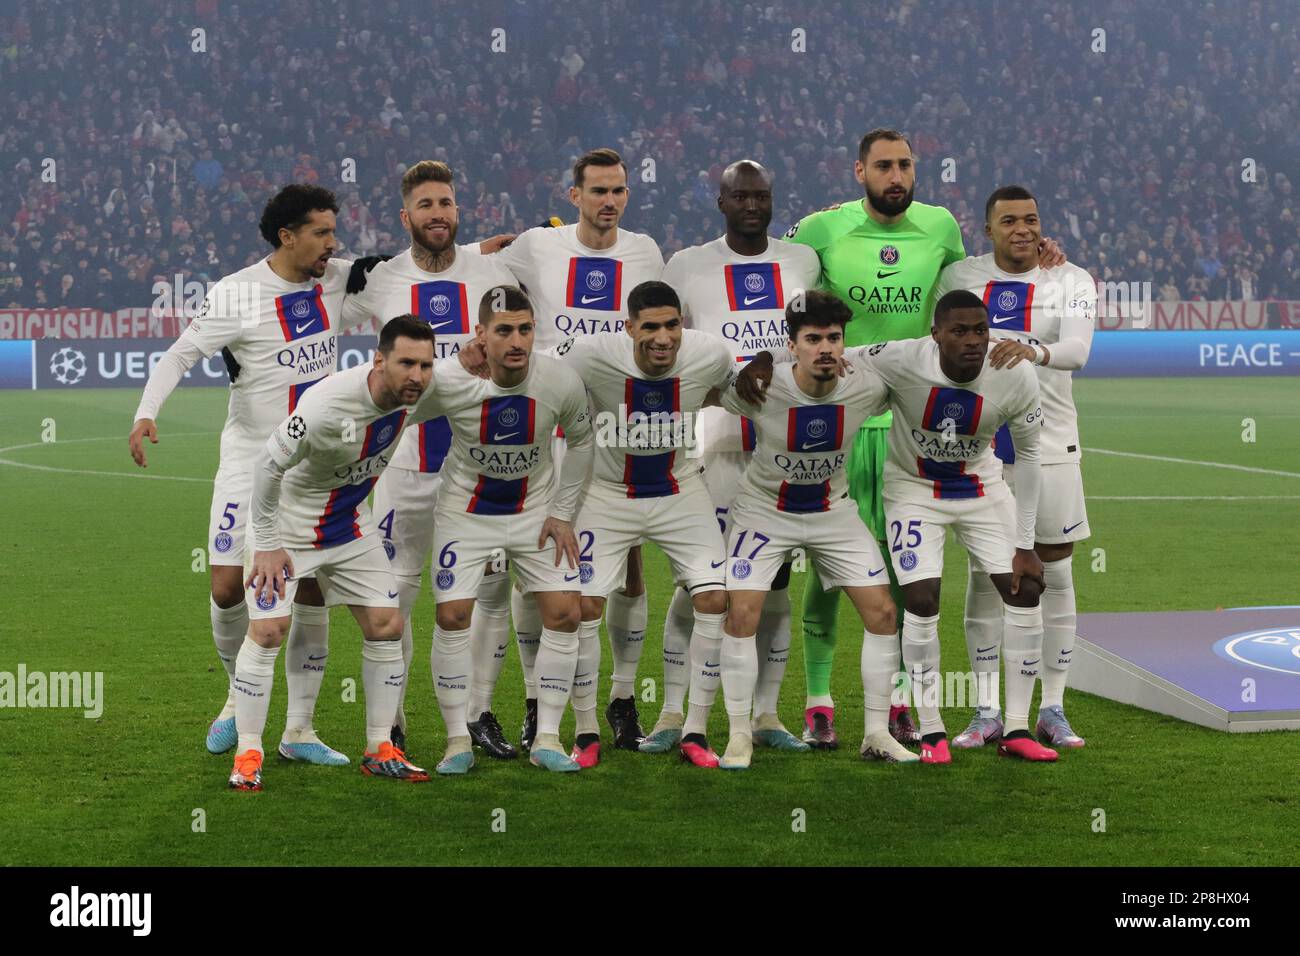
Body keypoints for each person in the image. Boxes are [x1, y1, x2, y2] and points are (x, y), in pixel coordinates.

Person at [782, 129, 1065, 748]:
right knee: (829, 561)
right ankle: (819, 699)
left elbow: (969, 284)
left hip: (918, 419)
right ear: (859, 171)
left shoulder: (940, 228)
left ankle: (907, 703)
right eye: (883, 165)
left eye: (905, 165)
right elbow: (789, 294)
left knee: (900, 571)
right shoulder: (820, 230)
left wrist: (1035, 254)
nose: (896, 175)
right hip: (851, 414)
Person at [129, 184, 362, 766]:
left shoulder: (335, 278)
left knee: (308, 589)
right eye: (322, 233)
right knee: (228, 588)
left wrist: (489, 248)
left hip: (312, 468)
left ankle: (300, 731)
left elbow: (416, 268)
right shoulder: (237, 294)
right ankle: (237, 695)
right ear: (287, 236)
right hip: (248, 463)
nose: (333, 244)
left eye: (335, 232)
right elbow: (181, 353)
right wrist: (145, 413)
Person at [341, 160, 520, 760]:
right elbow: (310, 291)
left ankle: (478, 715)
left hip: (477, 467)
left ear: (457, 209)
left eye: (445, 202)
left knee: (486, 595)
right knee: (394, 596)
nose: (437, 213)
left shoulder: (490, 272)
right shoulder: (380, 280)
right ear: (405, 216)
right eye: (425, 205)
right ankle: (389, 723)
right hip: (403, 466)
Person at [489, 147, 664, 749]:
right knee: (538, 571)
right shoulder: (538, 247)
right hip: (550, 429)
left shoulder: (645, 252)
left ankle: (622, 696)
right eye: (598, 191)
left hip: (621, 428)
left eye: (618, 191)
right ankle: (539, 701)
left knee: (630, 572)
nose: (609, 201)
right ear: (575, 196)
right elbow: (484, 272)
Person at [233, 315, 443, 790]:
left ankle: (379, 748)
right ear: (379, 360)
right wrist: (266, 543)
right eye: (406, 363)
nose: (417, 375)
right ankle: (248, 753)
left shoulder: (422, 390)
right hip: (286, 529)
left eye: (426, 365)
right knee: (267, 631)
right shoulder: (327, 405)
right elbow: (267, 467)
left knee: (387, 625)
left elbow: (467, 379)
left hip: (349, 526)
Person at [654, 159, 820, 754]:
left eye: (762, 196)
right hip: (717, 442)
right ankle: (673, 712)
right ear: (720, 203)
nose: (752, 205)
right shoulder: (687, 266)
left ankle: (767, 715)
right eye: (740, 196)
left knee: (772, 582)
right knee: (702, 582)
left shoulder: (802, 259)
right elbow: (664, 343)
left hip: (784, 444)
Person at [713, 290, 912, 768]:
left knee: (883, 612)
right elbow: (699, 385)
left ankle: (877, 733)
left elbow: (918, 365)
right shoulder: (763, 386)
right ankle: (740, 734)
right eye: (813, 339)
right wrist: (760, 359)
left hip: (833, 513)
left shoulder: (866, 385)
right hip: (763, 511)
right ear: (792, 344)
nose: (825, 348)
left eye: (834, 338)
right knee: (741, 615)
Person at [933, 185, 1097, 750]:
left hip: (1050, 446)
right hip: (978, 448)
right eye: (1009, 221)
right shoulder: (959, 277)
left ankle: (1052, 705)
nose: (1022, 229)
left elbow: (1077, 350)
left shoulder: (1071, 279)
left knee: (1053, 571)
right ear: (988, 229)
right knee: (986, 574)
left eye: (1031, 219)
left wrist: (1033, 351)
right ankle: (985, 709)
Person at [547, 280, 736, 767]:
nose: (662, 337)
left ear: (683, 324)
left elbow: (739, 386)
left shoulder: (710, 352)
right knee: (585, 605)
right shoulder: (591, 354)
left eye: (671, 325)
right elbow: (538, 365)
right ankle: (587, 730)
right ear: (628, 327)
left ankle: (694, 729)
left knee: (714, 599)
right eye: (649, 327)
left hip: (681, 491)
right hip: (607, 496)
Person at [426, 285, 594, 774]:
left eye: (524, 329)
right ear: (481, 334)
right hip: (465, 512)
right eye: (503, 331)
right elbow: (399, 410)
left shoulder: (559, 379)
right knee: (454, 616)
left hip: (535, 512)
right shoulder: (453, 380)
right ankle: (458, 740)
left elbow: (582, 441)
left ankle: (547, 739)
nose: (516, 340)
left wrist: (563, 513)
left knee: (566, 613)